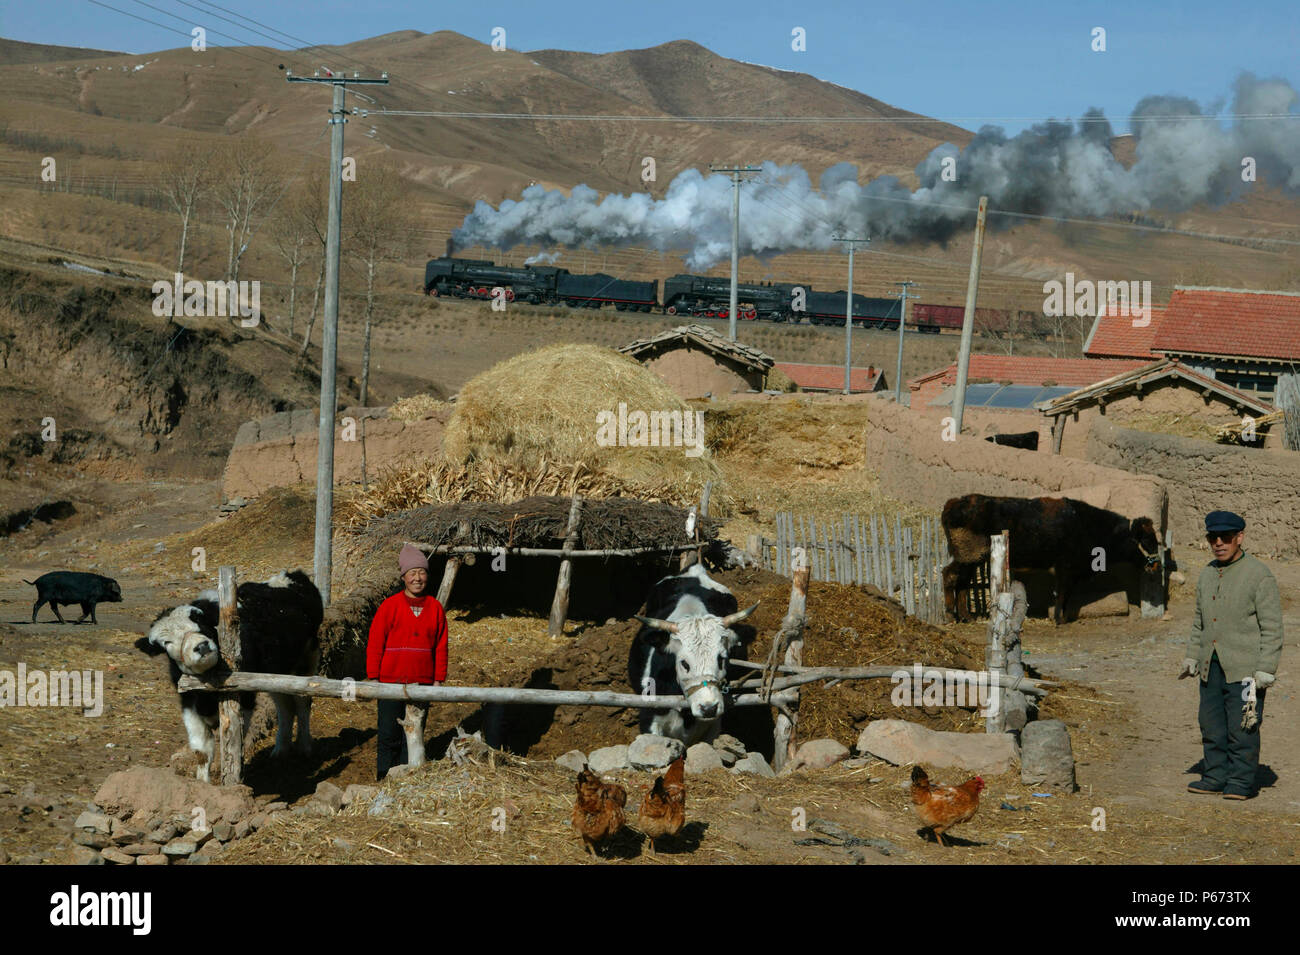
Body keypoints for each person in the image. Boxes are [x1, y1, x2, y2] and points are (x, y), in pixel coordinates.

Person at [1182, 510, 1283, 799]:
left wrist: (1266, 668)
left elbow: (1273, 628)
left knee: (1243, 727)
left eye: (1226, 537)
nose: (1219, 543)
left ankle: (1240, 782)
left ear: (1239, 537)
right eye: (1213, 537)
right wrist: (1192, 656)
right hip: (1210, 667)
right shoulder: (1206, 573)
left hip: (1246, 670)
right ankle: (1215, 776)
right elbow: (1199, 622)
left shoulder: (1258, 575)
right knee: (1211, 724)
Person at [366, 543, 448, 780]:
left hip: (421, 683)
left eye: (422, 572)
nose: (418, 578)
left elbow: (441, 646)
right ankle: (384, 778)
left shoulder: (435, 608)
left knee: (413, 734)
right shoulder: (389, 606)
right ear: (403, 577)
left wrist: (438, 679)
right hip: (390, 682)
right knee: (388, 733)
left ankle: (408, 781)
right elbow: (375, 642)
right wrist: (373, 677)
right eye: (412, 573)